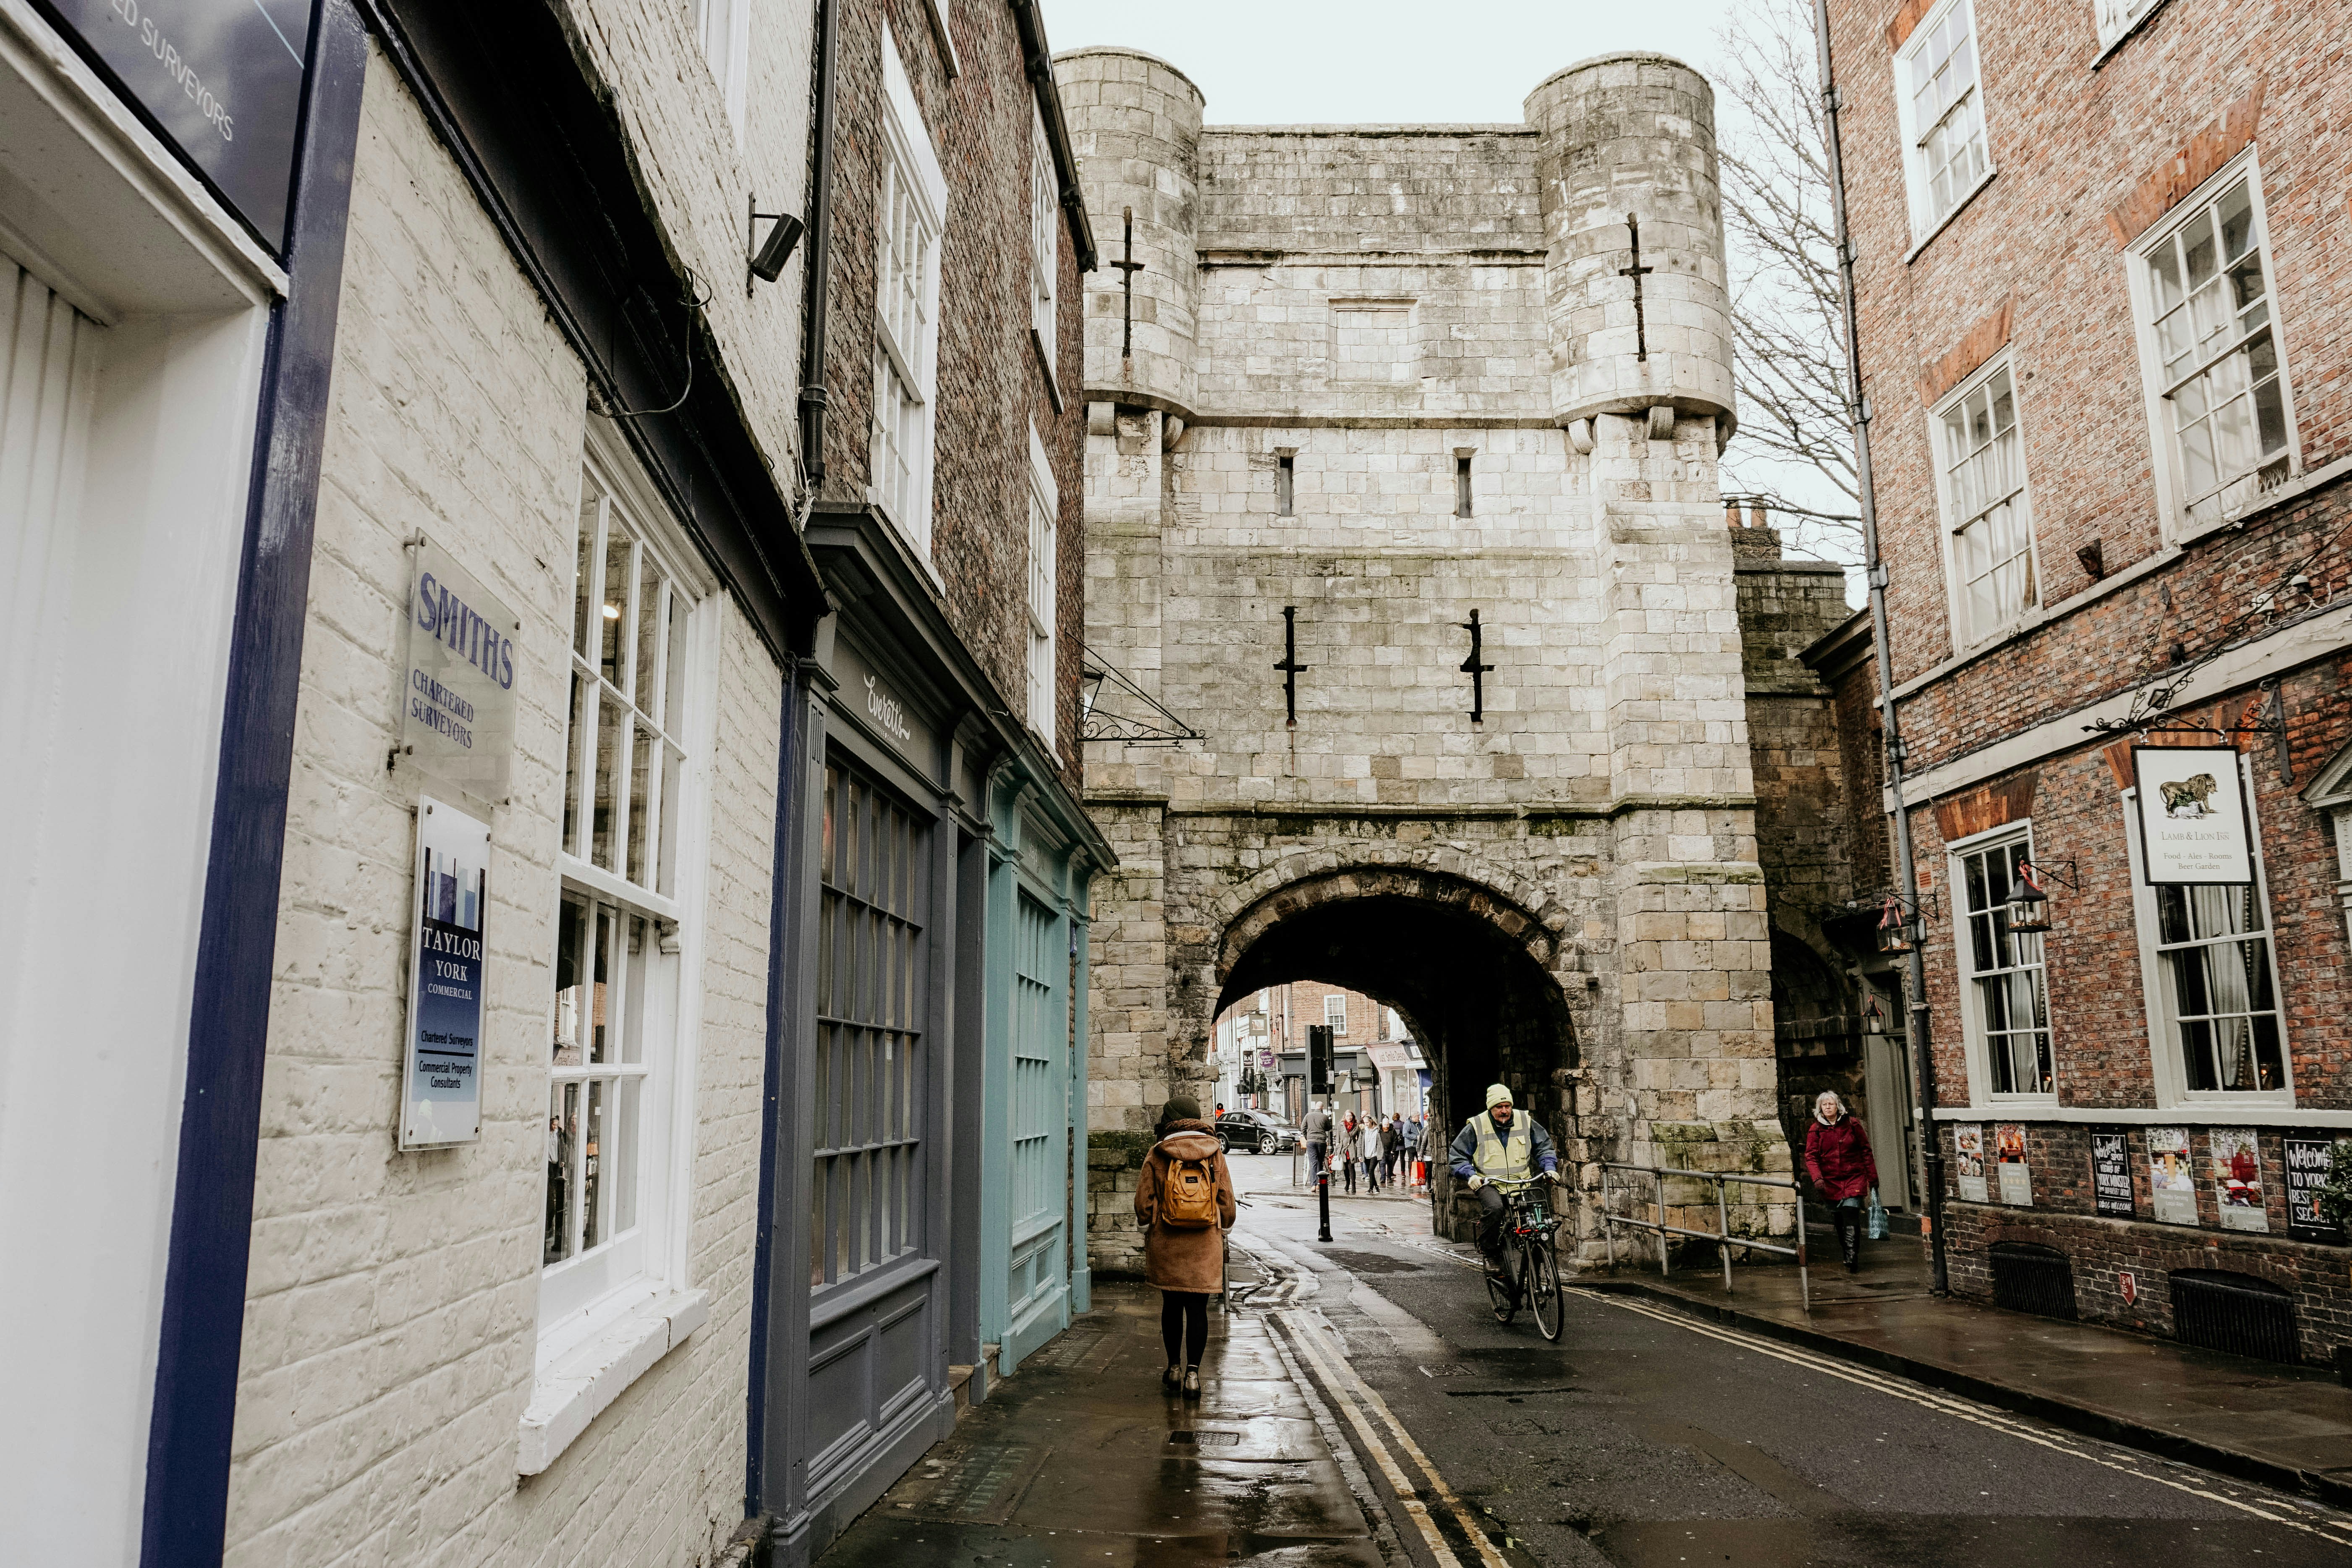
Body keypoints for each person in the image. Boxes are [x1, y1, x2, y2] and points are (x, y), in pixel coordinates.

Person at [1133, 1095, 1237, 1397]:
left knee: (1172, 1306)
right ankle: (1194, 1375)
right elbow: (1227, 1200)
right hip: (1205, 1242)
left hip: (1167, 1240)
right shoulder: (1214, 1151)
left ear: (1169, 1119)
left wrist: (1146, 1226)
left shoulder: (1158, 1152)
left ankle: (1174, 1368)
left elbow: (1143, 1200)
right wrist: (1224, 1227)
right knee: (1198, 1309)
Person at [1448, 1083, 1560, 1272]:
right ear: (1491, 1108)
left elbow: (1544, 1146)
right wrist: (1470, 1175)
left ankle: (1538, 1256)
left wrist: (1549, 1167)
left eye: (1507, 1106)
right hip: (1489, 1183)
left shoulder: (1525, 1120)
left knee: (1537, 1218)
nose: (1504, 1111)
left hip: (1521, 1182)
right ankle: (1491, 1254)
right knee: (1494, 1209)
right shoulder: (1476, 1125)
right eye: (1499, 1107)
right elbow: (1457, 1155)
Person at [1804, 1090, 1878, 1273]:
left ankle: (1852, 1256)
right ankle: (1846, 1251)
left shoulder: (1853, 1125)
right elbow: (1811, 1157)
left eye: (1831, 1104)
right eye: (1824, 1105)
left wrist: (1873, 1177)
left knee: (1851, 1213)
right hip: (1831, 1181)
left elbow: (1866, 1151)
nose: (1828, 1108)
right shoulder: (1816, 1130)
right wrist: (1818, 1178)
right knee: (1839, 1218)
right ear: (1820, 1108)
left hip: (1854, 1177)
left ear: (1838, 1107)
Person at [1359, 1110, 1382, 1193]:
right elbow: (1360, 1144)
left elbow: (1380, 1143)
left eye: (1367, 1122)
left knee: (1371, 1171)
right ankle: (1377, 1187)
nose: (1366, 1124)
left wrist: (1381, 1154)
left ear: (1371, 1121)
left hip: (1375, 1154)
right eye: (1365, 1123)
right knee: (1370, 1172)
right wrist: (1360, 1155)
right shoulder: (1363, 1131)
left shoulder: (1377, 1131)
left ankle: (1371, 1189)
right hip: (1366, 1154)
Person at [1340, 1111, 1360, 1194]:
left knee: (1351, 1167)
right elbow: (1338, 1138)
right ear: (1345, 1117)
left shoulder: (1356, 1126)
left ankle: (1353, 1186)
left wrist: (1356, 1146)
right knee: (1345, 1168)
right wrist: (1338, 1149)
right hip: (1343, 1149)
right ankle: (1347, 1183)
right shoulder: (1341, 1125)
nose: (1349, 1118)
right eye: (1348, 1116)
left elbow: (1359, 1138)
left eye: (1351, 1116)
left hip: (1351, 1148)